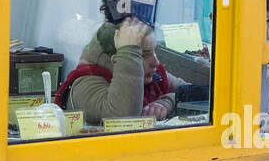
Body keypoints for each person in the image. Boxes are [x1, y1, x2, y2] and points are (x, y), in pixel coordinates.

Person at [56, 17, 185, 125]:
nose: (156, 62)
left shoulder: (154, 75)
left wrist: (166, 102)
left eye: (154, 51)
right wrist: (128, 53)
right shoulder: (85, 86)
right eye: (142, 55)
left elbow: (195, 93)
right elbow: (124, 120)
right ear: (117, 60)